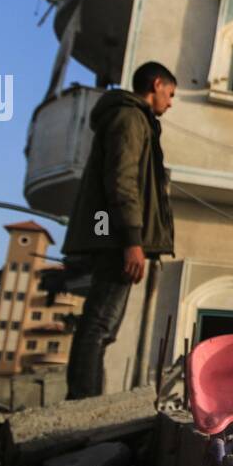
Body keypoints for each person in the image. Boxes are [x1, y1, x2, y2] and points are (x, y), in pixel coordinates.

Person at [63, 61, 177, 399]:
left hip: (111, 234)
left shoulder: (131, 118)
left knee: (101, 327)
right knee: (99, 325)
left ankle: (84, 401)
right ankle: (82, 405)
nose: (170, 103)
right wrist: (132, 240)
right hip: (116, 238)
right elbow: (122, 180)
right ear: (156, 85)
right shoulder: (130, 118)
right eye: (170, 94)